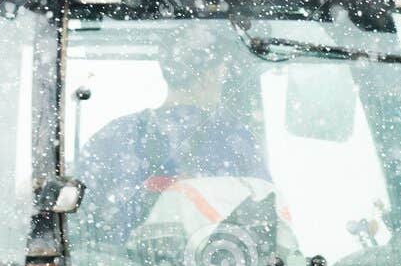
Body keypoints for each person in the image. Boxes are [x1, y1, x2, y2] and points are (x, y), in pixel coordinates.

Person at [77, 22, 269, 244]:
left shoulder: (113, 137)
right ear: (209, 74)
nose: (224, 78)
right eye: (224, 69)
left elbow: (80, 220)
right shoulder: (235, 141)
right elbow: (266, 215)